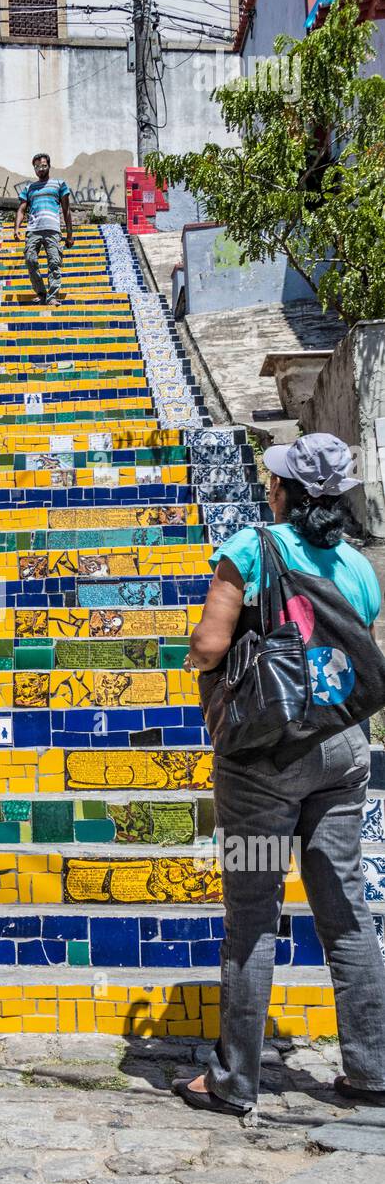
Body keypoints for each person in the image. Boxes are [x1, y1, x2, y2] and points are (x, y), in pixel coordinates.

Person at [175, 433, 385, 1114]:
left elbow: (210, 644)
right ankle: (371, 1069)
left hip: (265, 764)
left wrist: (196, 663)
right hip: (341, 756)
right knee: (346, 910)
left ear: (284, 491)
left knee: (253, 913)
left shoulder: (252, 547)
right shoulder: (358, 565)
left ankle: (235, 1081)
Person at [14, 153, 74, 305]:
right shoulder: (29, 188)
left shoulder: (59, 184)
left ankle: (52, 296)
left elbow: (67, 210)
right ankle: (41, 293)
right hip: (33, 230)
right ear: (34, 169)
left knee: (54, 262)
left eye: (43, 166)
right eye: (37, 167)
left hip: (53, 230)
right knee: (30, 259)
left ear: (49, 166)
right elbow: (21, 210)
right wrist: (16, 228)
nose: (40, 169)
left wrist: (69, 235)